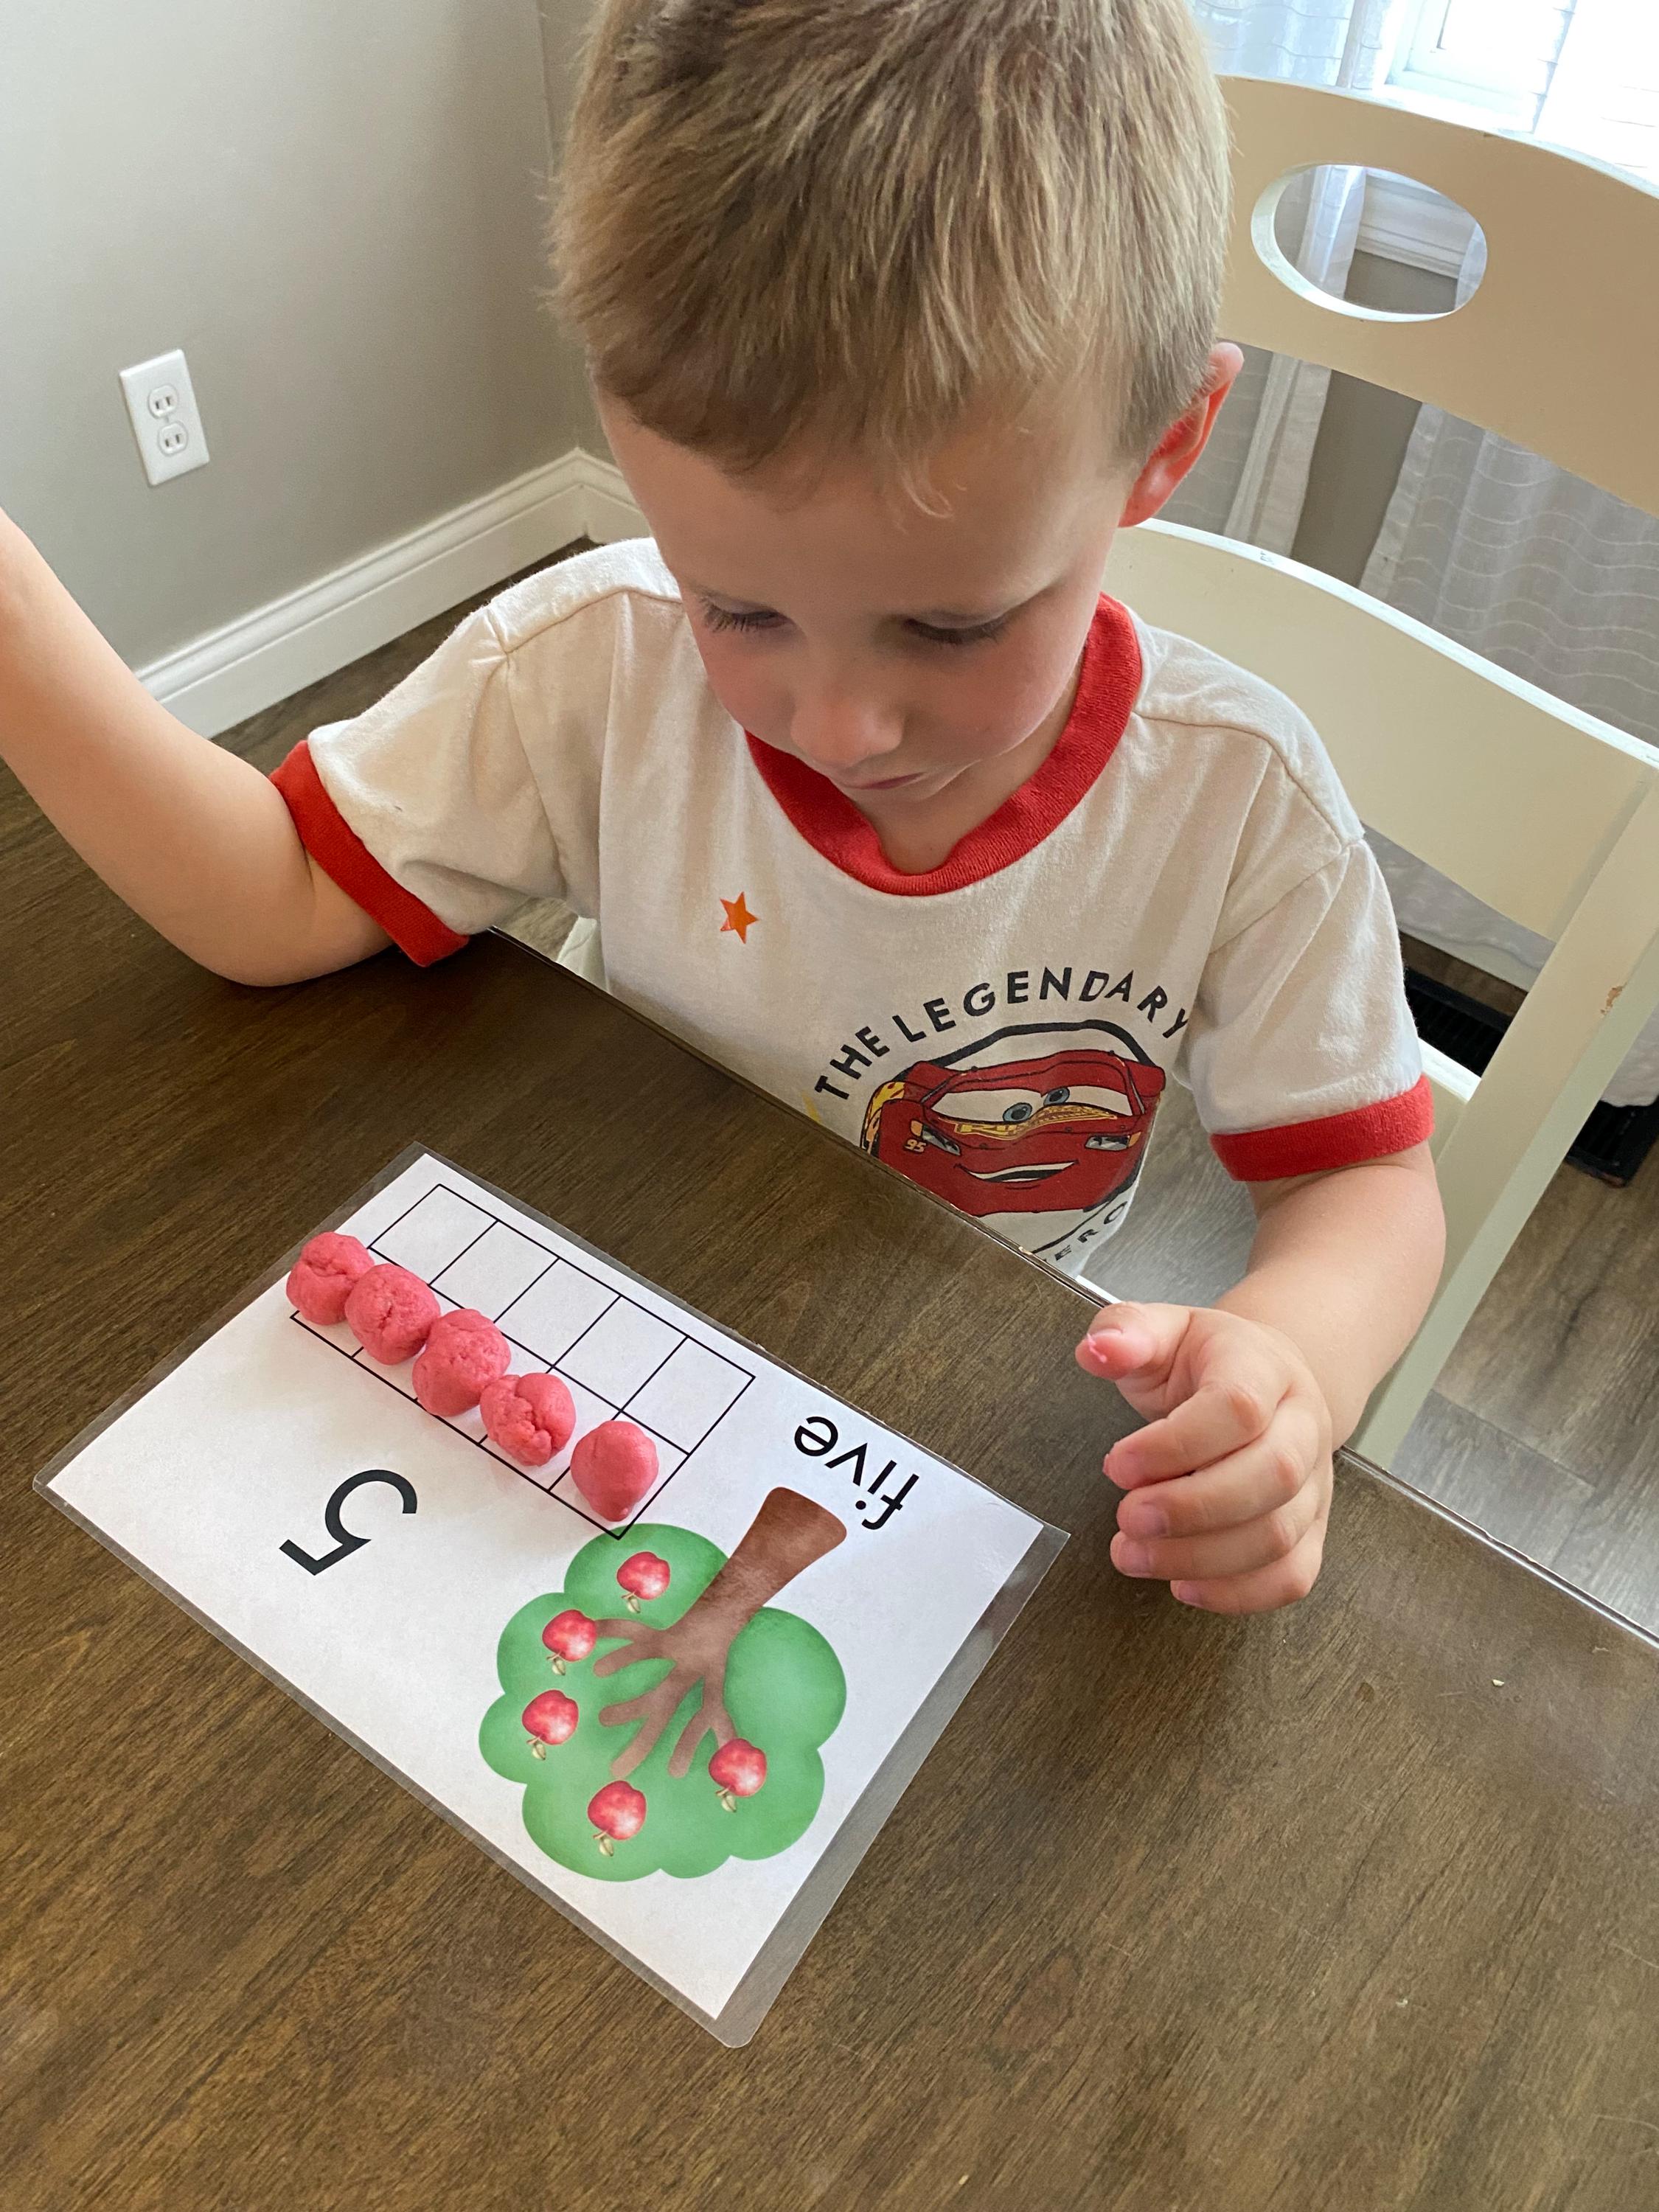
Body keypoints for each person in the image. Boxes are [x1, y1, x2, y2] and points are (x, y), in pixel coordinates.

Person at [0, 0, 1443, 1615]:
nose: (838, 723)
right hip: (639, 1357)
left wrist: (1298, 1369)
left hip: (952, 1422)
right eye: (735, 607)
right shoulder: (588, 670)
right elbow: (274, 901)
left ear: (1163, 449)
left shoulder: (1242, 807)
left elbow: (1366, 1189)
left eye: (953, 626)